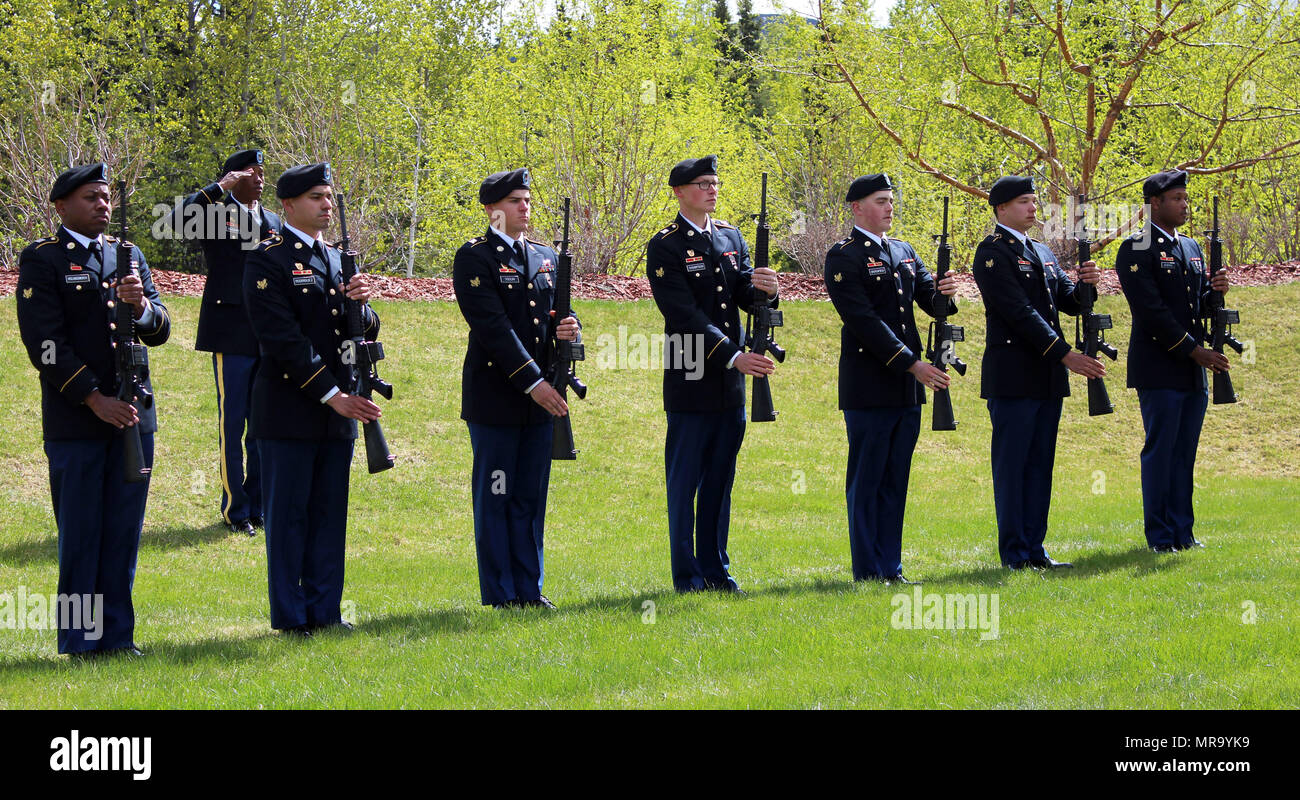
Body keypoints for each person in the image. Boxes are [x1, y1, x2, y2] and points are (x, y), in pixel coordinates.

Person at [15, 163, 171, 656]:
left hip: (133, 417)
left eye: (106, 197)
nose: (103, 205)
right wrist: (92, 398)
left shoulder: (130, 257)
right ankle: (80, 641)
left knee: (123, 533)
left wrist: (142, 306)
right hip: (77, 421)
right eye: (90, 197)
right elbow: (44, 344)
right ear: (61, 206)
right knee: (81, 535)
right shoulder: (43, 259)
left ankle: (118, 638)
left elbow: (161, 328)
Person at [242, 162, 380, 636]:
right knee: (289, 518)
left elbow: (361, 329)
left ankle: (325, 611)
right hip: (289, 410)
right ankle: (292, 616)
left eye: (329, 197)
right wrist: (331, 394)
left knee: (328, 516)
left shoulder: (340, 259)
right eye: (317, 197)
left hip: (339, 409)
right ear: (289, 205)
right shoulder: (267, 259)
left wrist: (364, 304)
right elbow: (282, 339)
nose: (327, 205)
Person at [645, 155, 778, 594]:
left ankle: (716, 569)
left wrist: (764, 287)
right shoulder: (665, 245)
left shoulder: (730, 236)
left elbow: (739, 294)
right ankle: (687, 576)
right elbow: (683, 314)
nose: (712, 190)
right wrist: (732, 355)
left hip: (729, 381)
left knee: (720, 479)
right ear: (680, 192)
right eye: (703, 184)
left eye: (715, 183)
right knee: (685, 484)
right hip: (691, 373)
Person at [452, 168, 580, 610]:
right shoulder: (475, 257)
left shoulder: (545, 256)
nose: (524, 207)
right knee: (497, 496)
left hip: (542, 398)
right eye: (514, 201)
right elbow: (493, 328)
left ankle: (530, 589)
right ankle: (501, 593)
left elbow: (555, 315)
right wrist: (533, 383)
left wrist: (569, 327)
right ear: (491, 209)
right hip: (498, 399)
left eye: (526, 200)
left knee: (529, 497)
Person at [823, 173, 959, 585]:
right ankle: (867, 570)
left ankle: (890, 567)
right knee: (867, 479)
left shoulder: (903, 251)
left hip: (905, 385)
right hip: (870, 383)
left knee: (895, 478)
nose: (889, 207)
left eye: (891, 200)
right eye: (881, 200)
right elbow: (863, 321)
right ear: (857, 207)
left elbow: (931, 302)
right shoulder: (843, 256)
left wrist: (947, 293)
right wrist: (911, 364)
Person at [972, 175, 1104, 570]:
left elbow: (1067, 302)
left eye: (1034, 201)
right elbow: (1018, 313)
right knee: (1013, 467)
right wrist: (1065, 354)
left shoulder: (1043, 252)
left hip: (1045, 376)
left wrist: (1087, 286)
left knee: (1039, 465)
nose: (1033, 208)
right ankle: (1015, 554)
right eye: (1025, 201)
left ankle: (1035, 550)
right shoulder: (992, 252)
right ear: (1001, 209)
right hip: (1014, 375)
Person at [1114, 169, 1230, 553]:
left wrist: (1216, 294)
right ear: (1155, 203)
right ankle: (1160, 537)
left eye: (1185, 198)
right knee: (1161, 451)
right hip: (1160, 365)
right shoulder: (1136, 247)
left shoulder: (1192, 247)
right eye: (1176, 198)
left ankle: (1184, 532)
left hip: (1193, 367)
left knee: (1185, 452)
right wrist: (1194, 351)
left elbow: (1195, 307)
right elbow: (1152, 312)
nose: (1184, 204)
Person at [183, 148, 282, 536]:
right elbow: (178, 221)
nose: (259, 178)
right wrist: (217, 189)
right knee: (233, 425)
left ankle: (258, 505)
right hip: (231, 333)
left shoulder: (273, 220)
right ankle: (235, 509)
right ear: (232, 177)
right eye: (250, 173)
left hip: (268, 336)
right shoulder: (214, 216)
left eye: (262, 172)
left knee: (261, 425)